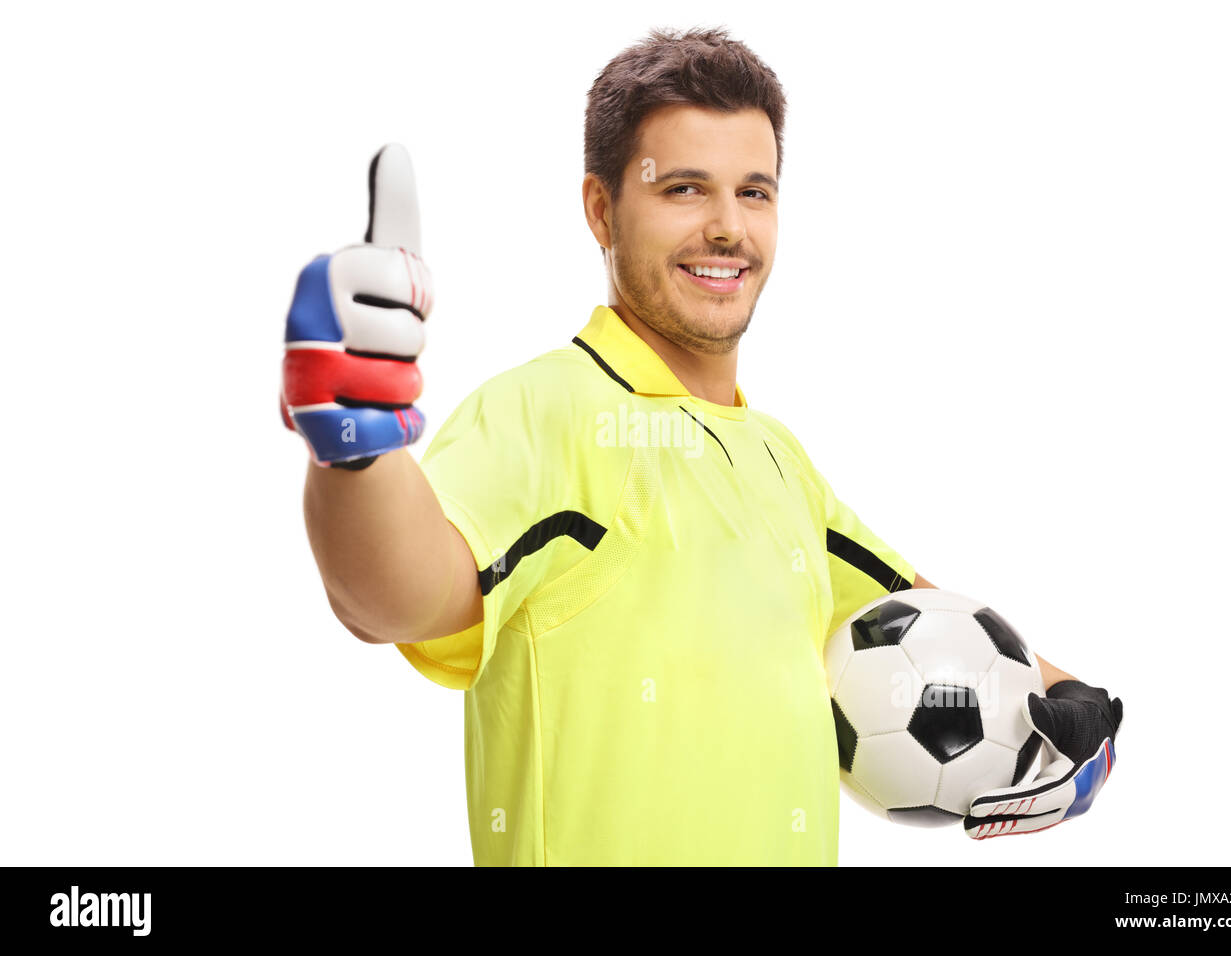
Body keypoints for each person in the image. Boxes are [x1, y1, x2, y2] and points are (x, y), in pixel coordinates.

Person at [280, 27, 1123, 865]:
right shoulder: (544, 411)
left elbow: (939, 625)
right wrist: (352, 438)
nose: (728, 229)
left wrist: (1078, 715)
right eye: (684, 188)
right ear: (602, 209)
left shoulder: (779, 464)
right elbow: (392, 598)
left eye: (754, 192)